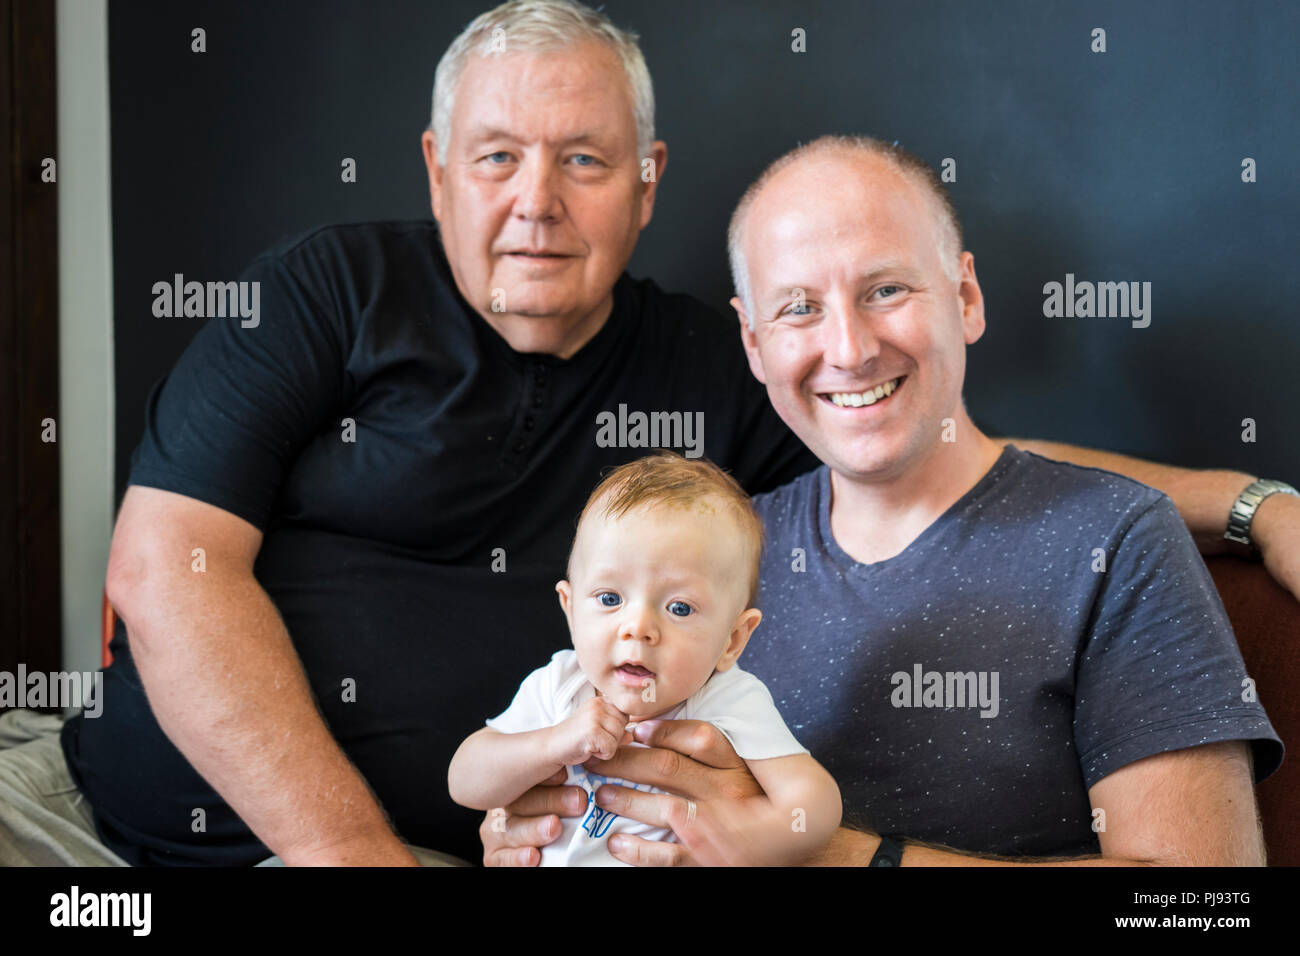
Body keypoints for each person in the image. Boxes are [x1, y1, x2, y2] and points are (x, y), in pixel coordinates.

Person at [1, 0, 1293, 868]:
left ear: (648, 179)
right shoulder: (319, 293)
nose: (536, 205)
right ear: (437, 167)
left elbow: (967, 458)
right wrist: (412, 849)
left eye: (584, 160)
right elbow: (163, 575)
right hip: (103, 825)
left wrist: (1247, 502)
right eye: (497, 157)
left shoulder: (723, 387)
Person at [484, 136, 1284, 866]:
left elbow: (1198, 910)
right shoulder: (715, 557)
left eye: (886, 288)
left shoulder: (1117, 540)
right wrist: (536, 828)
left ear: (965, 298)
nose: (851, 348)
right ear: (755, 344)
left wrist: (827, 854)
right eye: (798, 307)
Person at [448, 454, 841, 865]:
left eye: (680, 608)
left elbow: (814, 804)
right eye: (610, 599)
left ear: (732, 640)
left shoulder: (726, 702)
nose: (637, 628)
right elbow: (464, 781)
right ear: (570, 608)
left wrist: (756, 841)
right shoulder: (562, 684)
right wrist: (549, 744)